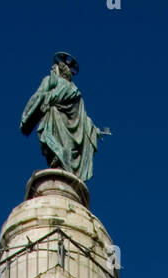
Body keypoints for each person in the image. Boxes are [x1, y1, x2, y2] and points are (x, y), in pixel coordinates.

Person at [21, 52, 111, 182]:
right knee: (53, 131)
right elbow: (40, 96)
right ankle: (60, 156)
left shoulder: (59, 84)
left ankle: (61, 156)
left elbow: (81, 116)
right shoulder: (67, 88)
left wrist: (91, 128)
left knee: (53, 133)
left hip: (56, 119)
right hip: (55, 119)